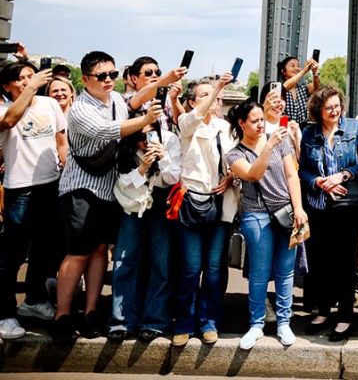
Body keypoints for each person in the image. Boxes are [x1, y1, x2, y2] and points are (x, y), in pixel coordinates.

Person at [53, 51, 162, 343]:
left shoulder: (115, 99)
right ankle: (62, 315)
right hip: (81, 188)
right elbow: (107, 130)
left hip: (108, 189)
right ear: (85, 79)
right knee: (78, 252)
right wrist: (146, 120)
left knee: (100, 250)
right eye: (101, 76)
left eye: (112, 74)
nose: (108, 80)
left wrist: (163, 81)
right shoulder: (79, 109)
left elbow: (134, 101)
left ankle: (90, 313)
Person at [226, 98, 307, 350]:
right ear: (242, 123)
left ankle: (284, 322)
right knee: (259, 273)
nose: (261, 125)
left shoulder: (280, 141)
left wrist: (299, 208)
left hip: (286, 211)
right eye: (254, 121)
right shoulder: (234, 154)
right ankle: (256, 323)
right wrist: (268, 147)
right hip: (256, 215)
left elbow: (292, 174)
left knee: (285, 271)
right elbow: (253, 174)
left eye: (262, 119)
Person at [298, 85, 358, 342]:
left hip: (347, 204)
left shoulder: (354, 128)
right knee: (320, 260)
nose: (334, 111)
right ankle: (323, 311)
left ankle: (345, 315)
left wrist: (343, 175)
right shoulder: (309, 133)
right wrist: (318, 181)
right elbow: (303, 169)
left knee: (345, 261)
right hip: (318, 203)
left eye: (337, 106)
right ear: (318, 110)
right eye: (328, 107)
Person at [172, 72, 238, 347]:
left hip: (220, 203)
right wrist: (218, 85)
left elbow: (237, 159)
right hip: (191, 202)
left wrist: (231, 178)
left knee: (213, 269)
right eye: (204, 95)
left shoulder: (225, 127)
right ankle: (184, 323)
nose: (212, 100)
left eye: (215, 96)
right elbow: (194, 117)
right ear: (191, 102)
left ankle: (209, 321)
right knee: (190, 268)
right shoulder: (186, 123)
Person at [0, 61, 63, 340]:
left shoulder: (50, 104)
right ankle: (4, 313)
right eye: (20, 78)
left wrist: (64, 168)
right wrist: (32, 87)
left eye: (31, 76)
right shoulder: (4, 108)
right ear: (6, 86)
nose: (28, 81)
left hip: (50, 184)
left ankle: (34, 300)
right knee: (12, 255)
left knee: (44, 249)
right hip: (20, 188)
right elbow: (9, 121)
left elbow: (60, 140)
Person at [108, 121, 181, 342]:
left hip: (160, 201)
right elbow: (123, 183)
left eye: (150, 135)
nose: (145, 142)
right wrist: (142, 168)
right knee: (124, 260)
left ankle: (155, 321)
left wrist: (163, 157)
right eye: (140, 137)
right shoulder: (125, 147)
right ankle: (121, 321)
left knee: (161, 262)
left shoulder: (170, 140)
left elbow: (173, 178)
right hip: (132, 203)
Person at [276, 55, 321, 126]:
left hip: (305, 128)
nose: (296, 68)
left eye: (298, 66)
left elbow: (317, 89)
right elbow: (284, 87)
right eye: (293, 66)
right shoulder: (279, 88)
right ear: (283, 71)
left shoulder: (304, 87)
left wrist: (315, 73)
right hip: (286, 128)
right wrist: (303, 71)